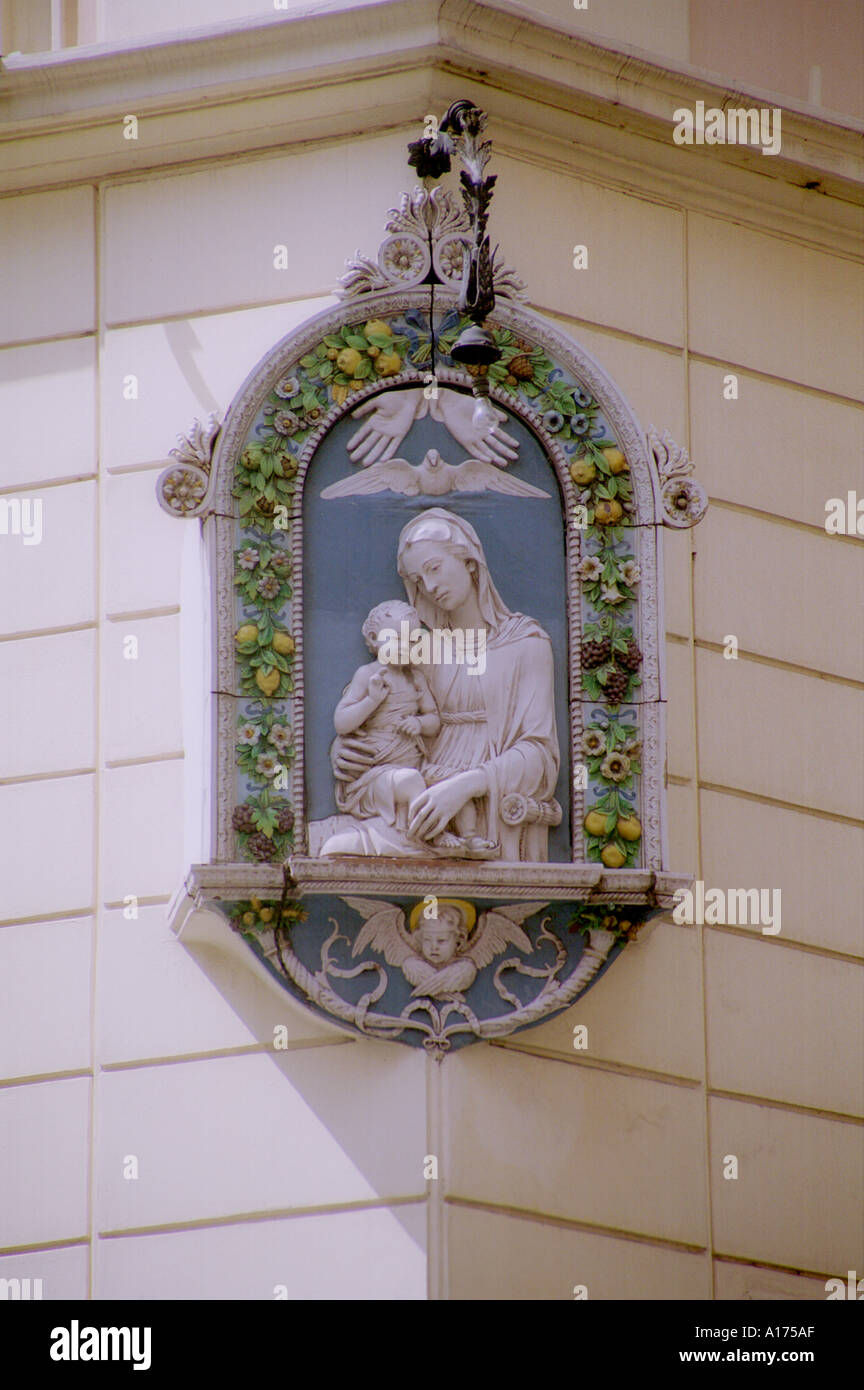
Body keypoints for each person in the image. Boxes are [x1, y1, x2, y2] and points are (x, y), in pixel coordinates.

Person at [331, 509, 561, 862]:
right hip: (422, 790)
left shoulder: (527, 644)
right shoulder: (419, 651)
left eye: (434, 568)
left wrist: (465, 786)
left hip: (489, 802)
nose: (430, 586)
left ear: (469, 561)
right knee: (339, 849)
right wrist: (346, 750)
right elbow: (387, 714)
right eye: (419, 580)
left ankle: (460, 838)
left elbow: (539, 755)